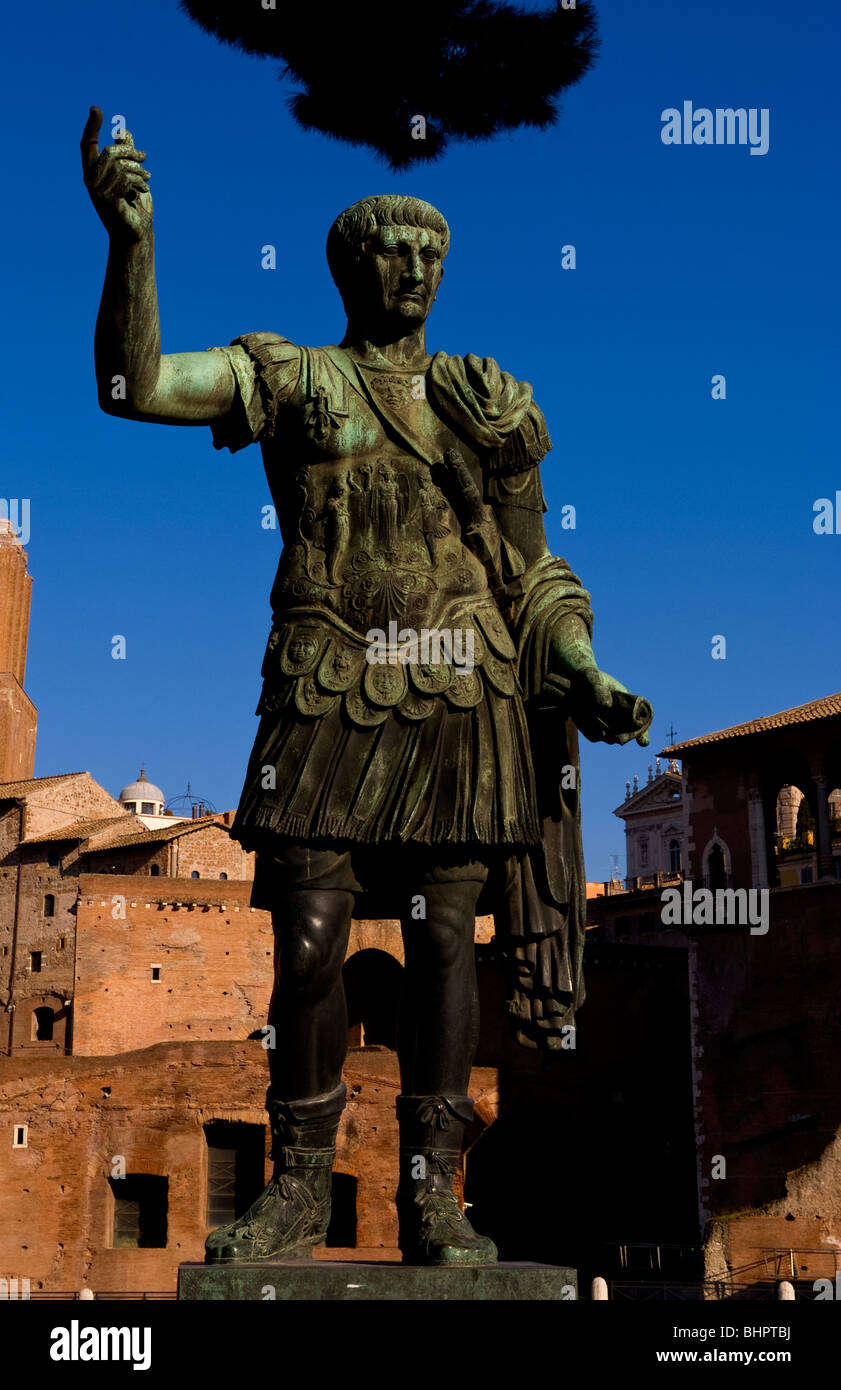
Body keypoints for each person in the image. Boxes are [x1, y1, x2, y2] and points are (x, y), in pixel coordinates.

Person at [82, 106, 652, 1266]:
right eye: (392, 251)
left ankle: (434, 1194)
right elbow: (131, 385)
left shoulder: (489, 402)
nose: (414, 268)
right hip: (326, 685)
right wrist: (131, 242)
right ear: (349, 267)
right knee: (307, 940)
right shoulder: (292, 377)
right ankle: (298, 1184)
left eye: (430, 252)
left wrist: (583, 670)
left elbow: (532, 572)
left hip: (460, 690)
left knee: (443, 943)